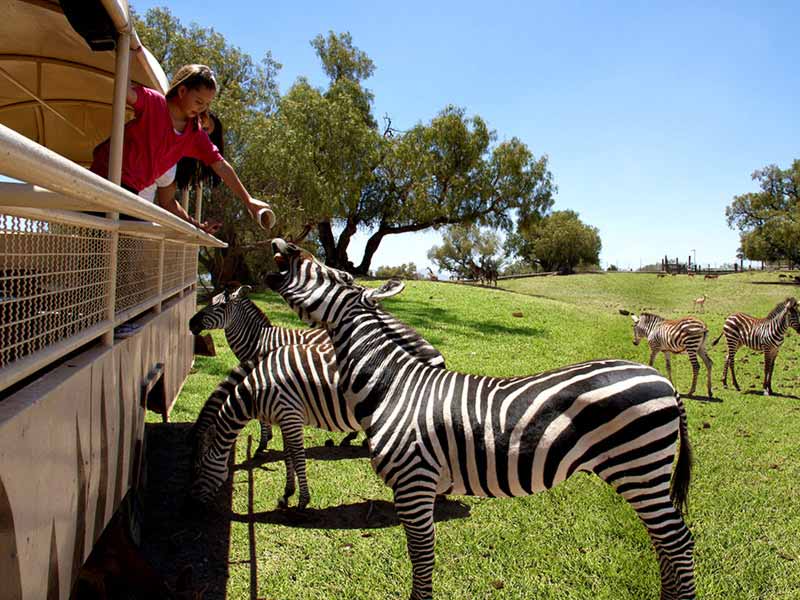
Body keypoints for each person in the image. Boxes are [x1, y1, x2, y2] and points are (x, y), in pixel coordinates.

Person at [90, 63, 275, 232]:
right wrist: (129, 54)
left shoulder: (194, 134)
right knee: (92, 241)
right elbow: (124, 90)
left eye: (207, 105)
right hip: (104, 178)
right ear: (182, 91)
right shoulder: (154, 103)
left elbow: (220, 165)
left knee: (115, 249)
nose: (202, 109)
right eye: (199, 101)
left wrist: (248, 200)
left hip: (131, 191)